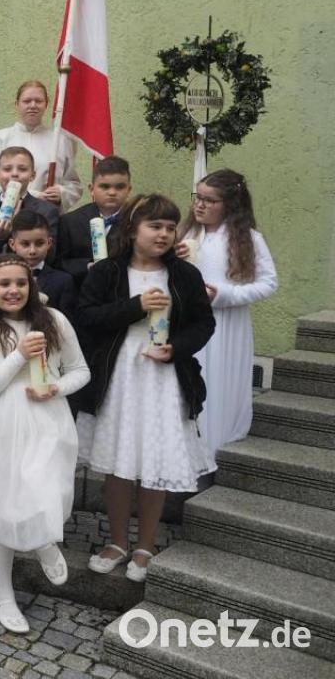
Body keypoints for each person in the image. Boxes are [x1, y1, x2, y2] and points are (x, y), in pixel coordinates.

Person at [77, 194, 217, 582]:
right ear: (133, 230)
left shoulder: (184, 275)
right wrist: (135, 306)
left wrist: (175, 348)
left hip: (162, 378)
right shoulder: (107, 271)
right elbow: (87, 317)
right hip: (119, 375)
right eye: (155, 226)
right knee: (118, 461)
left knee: (154, 459)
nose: (165, 233)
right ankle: (118, 541)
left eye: (171, 227)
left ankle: (145, 545)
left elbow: (203, 324)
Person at [0, 255, 89, 633]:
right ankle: (3, 592)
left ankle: (44, 541)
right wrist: (18, 356)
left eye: (21, 282)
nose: (13, 290)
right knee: (3, 507)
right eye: (4, 284)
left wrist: (55, 387)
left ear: (32, 285)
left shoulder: (54, 321)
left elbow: (81, 370)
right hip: (2, 423)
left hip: (47, 420)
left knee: (43, 486)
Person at [179, 169, 277, 455]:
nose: (200, 204)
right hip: (188, 323)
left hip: (225, 323)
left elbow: (269, 283)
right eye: (198, 197)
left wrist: (224, 294)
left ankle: (212, 444)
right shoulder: (185, 233)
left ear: (230, 205)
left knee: (217, 380)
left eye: (210, 200)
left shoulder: (248, 239)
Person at [0, 80, 81, 210]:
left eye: (38, 101)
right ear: (17, 104)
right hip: (8, 216)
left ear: (46, 105)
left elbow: (73, 183)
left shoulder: (60, 141)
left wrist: (62, 193)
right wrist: (30, 197)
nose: (33, 105)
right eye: (27, 101)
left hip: (47, 216)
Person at [0, 146, 60, 271]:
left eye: (22, 169)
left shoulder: (47, 210)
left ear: (32, 175)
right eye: (7, 169)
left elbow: (52, 256)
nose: (14, 174)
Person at [55, 156, 131, 289]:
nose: (112, 192)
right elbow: (58, 263)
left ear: (129, 190)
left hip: (122, 292)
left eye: (120, 187)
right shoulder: (70, 222)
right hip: (81, 293)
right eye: (105, 187)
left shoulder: (136, 222)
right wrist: (87, 265)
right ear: (91, 189)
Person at [9, 211, 76, 317]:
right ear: (12, 244)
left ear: (49, 243)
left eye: (39, 244)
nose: (32, 251)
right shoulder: (1, 278)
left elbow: (67, 323)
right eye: (25, 244)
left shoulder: (63, 281)